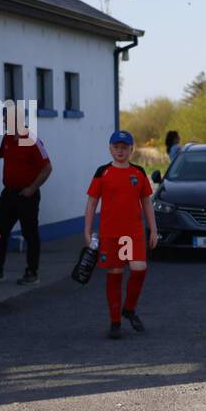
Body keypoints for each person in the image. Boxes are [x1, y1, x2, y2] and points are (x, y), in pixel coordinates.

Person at [84, 131, 158, 339]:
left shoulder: (139, 172)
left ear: (131, 150)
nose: (120, 151)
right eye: (116, 147)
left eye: (124, 147)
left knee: (139, 268)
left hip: (132, 232)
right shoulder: (102, 172)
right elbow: (91, 202)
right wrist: (87, 230)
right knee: (115, 273)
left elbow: (146, 202)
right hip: (110, 233)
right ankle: (115, 321)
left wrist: (153, 229)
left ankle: (129, 308)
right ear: (110, 149)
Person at [0, 106, 51, 284]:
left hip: (27, 195)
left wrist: (32, 188)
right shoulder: (7, 138)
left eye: (7, 119)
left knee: (30, 234)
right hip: (9, 194)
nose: (5, 121)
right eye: (5, 118)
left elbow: (47, 168)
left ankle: (32, 271)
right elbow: (2, 152)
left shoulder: (31, 139)